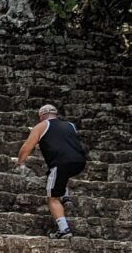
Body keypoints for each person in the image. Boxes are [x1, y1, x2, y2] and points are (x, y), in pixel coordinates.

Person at [16, 103, 87, 241]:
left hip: (60, 163)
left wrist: (20, 162)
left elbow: (26, 147)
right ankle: (65, 194)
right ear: (56, 114)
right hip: (79, 161)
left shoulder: (41, 126)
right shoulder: (70, 125)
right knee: (61, 175)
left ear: (41, 116)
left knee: (53, 198)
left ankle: (64, 230)